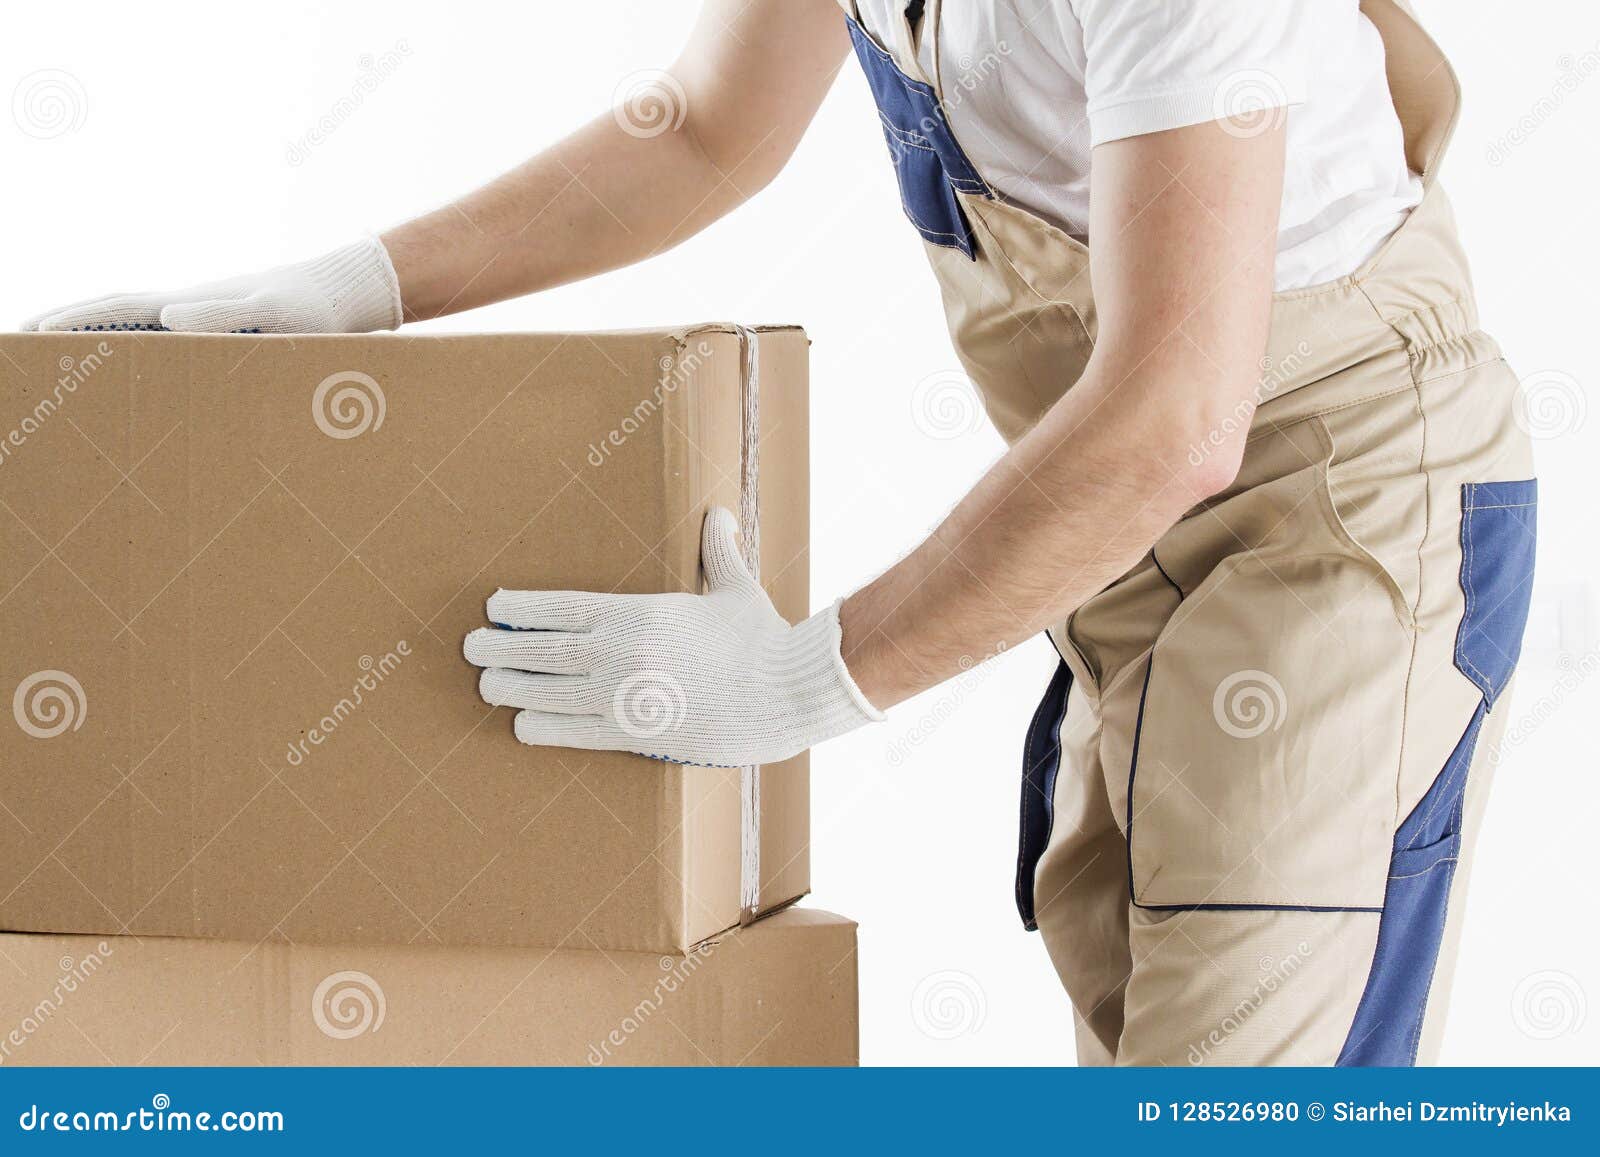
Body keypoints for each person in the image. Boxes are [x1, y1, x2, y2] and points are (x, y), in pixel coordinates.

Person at [23, 0, 1535, 1067]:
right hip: (1122, 539)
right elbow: (700, 129)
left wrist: (810, 681)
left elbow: (1174, 418)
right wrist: (352, 288)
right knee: (1148, 1044)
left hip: (1341, 518)